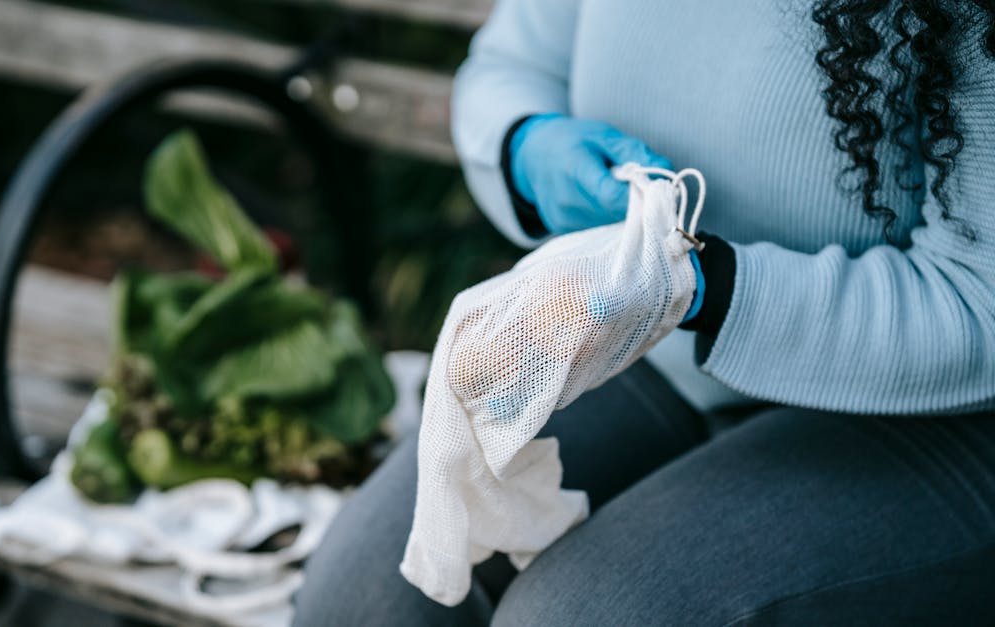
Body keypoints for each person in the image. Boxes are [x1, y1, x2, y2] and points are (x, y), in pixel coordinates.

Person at [294, 0, 995, 624]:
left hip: (922, 411)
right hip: (643, 344)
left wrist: (709, 287)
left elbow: (980, 298)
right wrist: (523, 143)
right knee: (364, 591)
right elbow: (511, 59)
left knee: (574, 614)